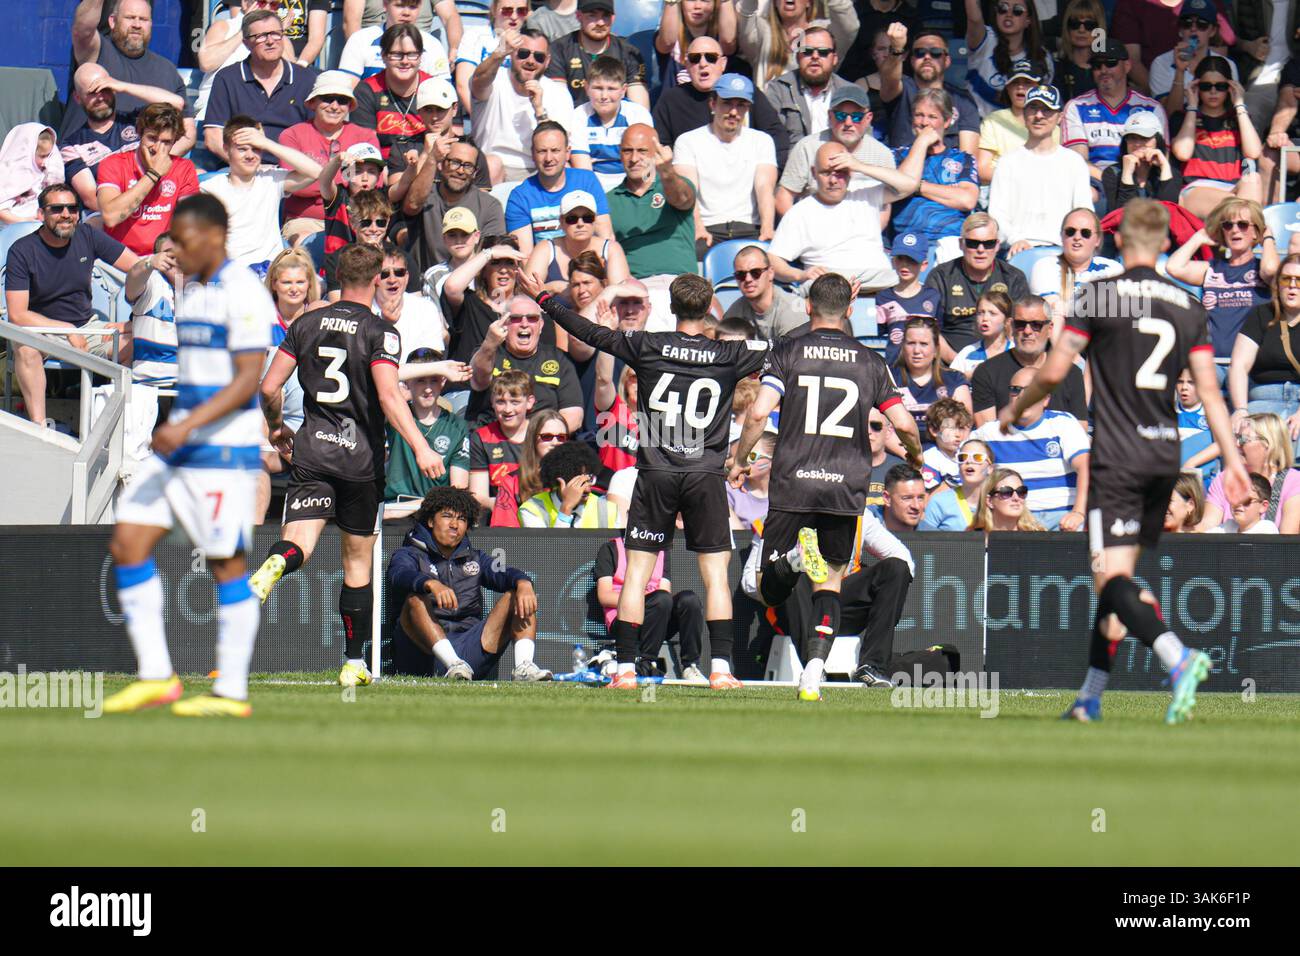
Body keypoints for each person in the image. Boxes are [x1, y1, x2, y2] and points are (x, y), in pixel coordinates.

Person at [1001, 197, 1249, 724]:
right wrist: (1232, 461)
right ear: (1163, 244)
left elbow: (1052, 372)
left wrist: (1015, 409)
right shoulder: (1186, 306)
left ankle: (1176, 656)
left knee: (1108, 578)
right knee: (1120, 579)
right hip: (1165, 455)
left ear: (1116, 240)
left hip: (1117, 456)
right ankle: (1090, 698)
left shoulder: (1098, 296)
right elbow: (1209, 390)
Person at [523, 269, 771, 690]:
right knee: (715, 574)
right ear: (710, 307)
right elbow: (787, 348)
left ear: (671, 307)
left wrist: (546, 300)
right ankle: (722, 670)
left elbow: (589, 332)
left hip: (655, 472)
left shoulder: (647, 343)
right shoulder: (730, 353)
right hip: (705, 474)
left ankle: (624, 671)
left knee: (636, 571)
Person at [101, 194, 271, 718]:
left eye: (185, 237)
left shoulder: (242, 291)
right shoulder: (192, 289)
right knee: (129, 540)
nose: (176, 247)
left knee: (226, 565)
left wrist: (186, 424)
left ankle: (231, 692)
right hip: (184, 449)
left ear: (215, 236)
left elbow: (248, 380)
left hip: (222, 452)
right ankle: (157, 677)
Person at [252, 243, 445, 688]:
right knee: (357, 564)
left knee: (298, 542)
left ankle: (275, 564)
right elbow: (388, 396)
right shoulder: (382, 332)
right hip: (359, 460)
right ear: (377, 279)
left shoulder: (305, 322)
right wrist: (420, 447)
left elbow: (268, 387)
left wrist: (278, 427)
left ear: (337, 276)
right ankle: (353, 662)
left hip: (312, 451)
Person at [729, 272, 921, 699]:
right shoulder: (871, 361)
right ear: (851, 311)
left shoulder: (788, 351)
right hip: (844, 489)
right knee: (830, 583)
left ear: (809, 308)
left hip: (794, 482)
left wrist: (740, 461)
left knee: (771, 588)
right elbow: (904, 422)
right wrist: (917, 454)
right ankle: (813, 672)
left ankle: (796, 558)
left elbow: (759, 413)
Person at [4, 184, 139, 425]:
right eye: (57, 208)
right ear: (41, 214)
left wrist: (136, 317)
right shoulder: (22, 250)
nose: (66, 214)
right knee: (25, 349)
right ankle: (39, 428)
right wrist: (67, 329)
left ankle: (119, 425)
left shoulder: (87, 235)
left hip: (87, 327)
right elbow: (17, 314)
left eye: (72, 208)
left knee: (138, 340)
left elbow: (137, 267)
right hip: (42, 331)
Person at [386, 487, 551, 680]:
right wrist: (430, 583)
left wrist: (523, 582)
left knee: (519, 593)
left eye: (462, 519)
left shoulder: (475, 558)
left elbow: (504, 573)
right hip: (423, 653)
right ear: (431, 521)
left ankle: (524, 668)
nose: (454, 525)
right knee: (415, 599)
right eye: (447, 516)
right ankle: (452, 664)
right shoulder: (408, 553)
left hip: (470, 650)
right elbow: (398, 575)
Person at [769, 137, 927, 291]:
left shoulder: (865, 192)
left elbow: (909, 185)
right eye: (826, 172)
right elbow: (773, 260)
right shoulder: (800, 212)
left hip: (877, 279)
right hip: (829, 284)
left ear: (850, 172)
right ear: (814, 172)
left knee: (906, 285)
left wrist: (859, 166)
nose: (833, 180)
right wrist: (800, 274)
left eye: (840, 172)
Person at [65, 0, 195, 155]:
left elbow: (188, 134)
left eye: (143, 19)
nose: (137, 25)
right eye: (130, 17)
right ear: (112, 21)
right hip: (84, 162)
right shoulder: (96, 53)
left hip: (144, 170)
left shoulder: (168, 70)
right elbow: (83, 30)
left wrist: (154, 165)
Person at [673, 73, 779, 256]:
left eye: (741, 106)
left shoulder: (762, 141)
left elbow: (764, 189)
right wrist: (698, 228)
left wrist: (767, 229)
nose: (733, 112)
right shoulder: (688, 141)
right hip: (708, 228)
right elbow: (689, 191)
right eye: (727, 103)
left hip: (749, 228)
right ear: (713, 104)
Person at [975, 364, 1091, 529]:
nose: (1022, 396)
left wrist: (1079, 512)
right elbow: (960, 462)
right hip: (1015, 520)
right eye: (1015, 390)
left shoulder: (1063, 424)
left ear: (1046, 399)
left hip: (1063, 519)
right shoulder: (989, 433)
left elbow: (1085, 467)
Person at [200, 118, 324, 272]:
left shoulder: (271, 180)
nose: (250, 155)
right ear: (226, 149)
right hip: (232, 275)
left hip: (272, 274)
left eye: (256, 149)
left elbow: (316, 172)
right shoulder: (209, 189)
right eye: (242, 149)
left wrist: (267, 143)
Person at [61, 62, 184, 213]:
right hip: (111, 216)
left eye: (105, 89)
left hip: (156, 204)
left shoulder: (138, 120)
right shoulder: (71, 146)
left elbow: (177, 104)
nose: (100, 97)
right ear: (78, 98)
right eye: (92, 92)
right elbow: (93, 200)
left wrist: (123, 86)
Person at [1165, 197, 1277, 362]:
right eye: (1227, 225)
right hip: (1214, 361)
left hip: (1251, 364)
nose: (1234, 230)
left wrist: (1267, 238)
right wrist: (1199, 238)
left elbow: (1271, 269)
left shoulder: (1262, 269)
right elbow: (1173, 267)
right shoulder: (1211, 268)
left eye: (1243, 225)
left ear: (1256, 232)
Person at [651, 35, 791, 167]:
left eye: (711, 58)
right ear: (687, 64)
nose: (703, 63)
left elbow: (777, 137)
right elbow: (660, 147)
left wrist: (769, 175)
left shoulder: (745, 92)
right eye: (695, 58)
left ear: (723, 63)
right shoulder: (671, 99)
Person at [470, 27, 586, 183]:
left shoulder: (558, 93)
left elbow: (559, 146)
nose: (530, 61)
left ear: (547, 61)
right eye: (523, 53)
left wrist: (539, 109)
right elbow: (478, 81)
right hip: (492, 166)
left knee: (567, 172)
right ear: (511, 54)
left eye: (539, 57)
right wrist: (499, 52)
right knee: (492, 164)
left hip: (538, 169)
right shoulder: (495, 81)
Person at [1061, 39, 1167, 207]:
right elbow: (1077, 160)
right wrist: (1114, 180)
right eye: (1097, 65)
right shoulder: (1077, 106)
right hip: (1097, 181)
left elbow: (1161, 157)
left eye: (1110, 63)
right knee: (1087, 194)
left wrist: (1131, 179)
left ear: (1127, 66)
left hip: (1141, 178)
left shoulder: (1151, 108)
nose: (1103, 70)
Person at [989, 85, 1094, 255]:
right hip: (1016, 250)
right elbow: (996, 214)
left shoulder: (1074, 162)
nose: (1039, 115)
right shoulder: (1007, 162)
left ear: (1060, 117)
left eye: (1047, 110)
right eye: (1033, 108)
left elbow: (1084, 213)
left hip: (1063, 251)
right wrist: (1015, 239)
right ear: (1024, 114)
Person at [277, 71, 382, 240]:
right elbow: (295, 186)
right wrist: (346, 181)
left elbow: (375, 183)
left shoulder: (366, 136)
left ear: (349, 106)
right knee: (306, 245)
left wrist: (323, 182)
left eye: (342, 100)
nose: (334, 106)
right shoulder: (292, 135)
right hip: (306, 220)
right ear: (312, 103)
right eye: (327, 98)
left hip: (357, 219)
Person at [201, 9, 317, 162]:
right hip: (240, 169)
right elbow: (213, 138)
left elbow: (318, 136)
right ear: (246, 43)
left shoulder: (306, 78)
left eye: (276, 33)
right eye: (261, 36)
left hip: (292, 171)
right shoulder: (228, 78)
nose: (270, 41)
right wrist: (245, 167)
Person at [594, 535, 706, 680]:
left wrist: (650, 600)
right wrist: (639, 601)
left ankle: (691, 667)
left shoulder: (661, 551)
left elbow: (665, 591)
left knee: (689, 601)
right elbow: (605, 596)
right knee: (660, 599)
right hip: (623, 620)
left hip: (656, 616)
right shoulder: (611, 548)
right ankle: (647, 662)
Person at [466, 293, 585, 430]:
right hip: (491, 441)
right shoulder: (487, 353)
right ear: (504, 322)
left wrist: (535, 441)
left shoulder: (559, 359)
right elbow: (479, 380)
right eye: (515, 318)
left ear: (541, 325)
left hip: (542, 441)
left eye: (532, 318)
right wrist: (489, 343)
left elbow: (573, 417)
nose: (524, 324)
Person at [924, 212, 1030, 359]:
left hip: (1001, 361)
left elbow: (1020, 328)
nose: (981, 249)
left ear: (997, 245)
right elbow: (929, 328)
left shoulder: (1013, 278)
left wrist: (994, 366)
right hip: (950, 363)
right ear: (961, 244)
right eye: (973, 243)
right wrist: (958, 364)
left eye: (988, 244)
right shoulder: (941, 277)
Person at [889, 90, 980, 261]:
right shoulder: (896, 156)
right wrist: (922, 143)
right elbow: (899, 186)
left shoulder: (962, 159)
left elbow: (966, 200)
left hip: (950, 242)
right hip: (906, 242)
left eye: (932, 116)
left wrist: (918, 186)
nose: (924, 122)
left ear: (946, 121)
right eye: (919, 115)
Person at [1169, 56, 1264, 220]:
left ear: (1230, 88)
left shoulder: (1239, 120)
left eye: (1220, 86)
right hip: (1196, 189)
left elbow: (1254, 152)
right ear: (1196, 87)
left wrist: (1239, 104)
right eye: (1206, 87)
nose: (1213, 92)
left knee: (1253, 180)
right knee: (1240, 208)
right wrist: (1192, 107)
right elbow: (1182, 153)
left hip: (1233, 189)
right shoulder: (1183, 118)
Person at [775, 85, 896, 214]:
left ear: (868, 119)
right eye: (841, 115)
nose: (848, 123)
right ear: (830, 116)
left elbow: (885, 207)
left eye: (856, 116)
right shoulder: (807, 147)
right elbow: (784, 196)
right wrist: (800, 229)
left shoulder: (883, 155)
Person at [95, 105, 196, 257]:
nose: (157, 148)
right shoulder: (113, 163)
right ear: (139, 133)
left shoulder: (183, 168)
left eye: (166, 142)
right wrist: (153, 175)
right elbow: (110, 217)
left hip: (163, 258)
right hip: (119, 259)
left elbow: (192, 222)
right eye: (152, 138)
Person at [971, 294, 1088, 425]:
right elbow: (988, 436)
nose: (1027, 331)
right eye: (1020, 324)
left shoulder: (1071, 374)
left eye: (1036, 325)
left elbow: (1079, 431)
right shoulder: (987, 372)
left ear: (1049, 329)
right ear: (1011, 327)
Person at [399, 134, 505, 278]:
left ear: (474, 173)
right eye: (455, 162)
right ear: (441, 165)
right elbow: (412, 205)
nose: (460, 170)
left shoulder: (489, 206)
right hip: (425, 289)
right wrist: (431, 158)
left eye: (468, 166)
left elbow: (493, 258)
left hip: (471, 287)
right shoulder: (425, 195)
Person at [606, 124, 699, 284]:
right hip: (634, 291)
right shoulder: (609, 200)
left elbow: (683, 199)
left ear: (655, 153)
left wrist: (667, 171)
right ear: (620, 154)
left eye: (642, 151)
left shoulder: (673, 185)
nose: (634, 159)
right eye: (627, 151)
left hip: (681, 283)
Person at [384, 347, 472, 512]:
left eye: (434, 380)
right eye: (420, 380)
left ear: (444, 381)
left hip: (434, 514)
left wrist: (410, 508)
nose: (428, 389)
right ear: (407, 382)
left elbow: (457, 491)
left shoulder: (457, 426)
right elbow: (385, 374)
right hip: (392, 507)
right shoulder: (394, 415)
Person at [352, 23, 452, 162]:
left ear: (420, 56)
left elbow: (448, 138)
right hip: (380, 168)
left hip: (425, 165)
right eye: (397, 54)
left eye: (412, 54)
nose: (405, 61)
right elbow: (365, 146)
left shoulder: (435, 87)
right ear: (384, 56)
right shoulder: (366, 90)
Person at [1229, 254, 1300, 444]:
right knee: (1239, 433)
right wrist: (1241, 410)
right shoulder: (1261, 314)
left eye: (1299, 280)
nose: (1292, 285)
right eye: (1286, 279)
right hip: (1263, 401)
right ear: (1278, 284)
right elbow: (1239, 365)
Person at [878, 24, 981, 154]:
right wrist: (897, 48)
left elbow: (968, 156)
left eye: (936, 53)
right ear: (911, 60)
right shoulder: (902, 90)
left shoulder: (963, 100)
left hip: (947, 171)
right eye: (920, 52)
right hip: (902, 168)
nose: (927, 57)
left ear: (947, 61)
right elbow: (889, 80)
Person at [504, 123, 604, 252]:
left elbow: (605, 236)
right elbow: (525, 257)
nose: (548, 158)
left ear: (568, 153)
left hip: (589, 266)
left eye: (555, 150)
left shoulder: (587, 182)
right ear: (533, 154)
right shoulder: (520, 196)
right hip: (544, 268)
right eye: (542, 151)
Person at [1197, 411, 1300, 531]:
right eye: (1236, 438)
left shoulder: (1293, 482)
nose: (1236, 444)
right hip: (1229, 549)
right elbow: (1206, 529)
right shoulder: (1225, 478)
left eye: (1243, 439)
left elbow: (1287, 539)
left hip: (1270, 549)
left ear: (1268, 444)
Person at [1110, 0, 1235, 94]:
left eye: (1202, 24)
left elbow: (1219, 56)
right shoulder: (1132, 3)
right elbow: (1132, 60)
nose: (1193, 28)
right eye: (1187, 23)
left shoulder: (1210, 3)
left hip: (1208, 96)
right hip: (1155, 91)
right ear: (1180, 29)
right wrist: (1158, 91)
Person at [1029, 208, 1122, 329]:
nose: (1077, 237)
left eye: (1085, 233)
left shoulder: (1113, 269)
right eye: (1070, 231)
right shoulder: (1045, 266)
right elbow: (1054, 308)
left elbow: (1118, 311)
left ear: (1098, 240)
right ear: (1061, 235)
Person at [736, 0, 859, 91]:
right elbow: (747, 15)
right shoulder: (763, 32)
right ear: (774, 2)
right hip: (767, 120)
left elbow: (849, 26)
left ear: (809, 3)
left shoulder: (824, 32)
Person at [764, 26, 857, 147]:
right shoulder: (778, 89)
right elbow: (770, 139)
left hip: (840, 162)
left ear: (834, 59)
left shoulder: (851, 92)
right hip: (793, 162)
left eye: (823, 52)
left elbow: (864, 139)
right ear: (797, 57)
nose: (815, 56)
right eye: (807, 51)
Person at [546, 0, 649, 108]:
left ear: (613, 18)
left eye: (606, 16)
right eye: (592, 15)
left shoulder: (629, 53)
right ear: (578, 16)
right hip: (573, 120)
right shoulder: (559, 50)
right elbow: (557, 102)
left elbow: (640, 108)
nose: (600, 23)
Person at [524, 189, 628, 292]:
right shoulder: (546, 248)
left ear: (595, 219)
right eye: (572, 219)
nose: (580, 224)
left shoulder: (611, 249)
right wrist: (553, 287)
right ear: (561, 221)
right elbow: (527, 291)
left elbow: (620, 293)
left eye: (588, 218)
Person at [964, 0, 1055, 118]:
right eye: (1003, 8)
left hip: (1021, 128)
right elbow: (974, 19)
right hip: (977, 125)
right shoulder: (985, 39)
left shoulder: (1042, 57)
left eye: (1017, 11)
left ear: (1028, 20)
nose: (1009, 14)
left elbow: (1042, 101)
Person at [467, 370, 536, 522]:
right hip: (499, 513)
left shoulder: (542, 433)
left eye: (515, 402)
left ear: (530, 402)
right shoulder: (482, 437)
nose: (507, 409)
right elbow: (478, 495)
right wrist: (506, 506)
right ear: (492, 401)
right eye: (500, 401)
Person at [892, 316, 972, 445]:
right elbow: (882, 429)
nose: (917, 350)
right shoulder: (887, 378)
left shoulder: (955, 380)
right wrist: (914, 457)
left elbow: (964, 427)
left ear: (936, 349)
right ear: (903, 346)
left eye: (924, 344)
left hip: (944, 452)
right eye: (911, 343)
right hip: (900, 453)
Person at [123, 233, 184, 389]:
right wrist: (149, 263)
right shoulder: (152, 284)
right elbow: (132, 279)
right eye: (170, 254)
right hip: (153, 383)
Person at [338, 0, 452, 81]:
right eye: (399, 5)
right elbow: (347, 91)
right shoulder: (361, 40)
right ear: (385, 4)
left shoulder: (432, 45)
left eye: (413, 7)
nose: (406, 13)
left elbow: (443, 97)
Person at [517, 439, 621, 527]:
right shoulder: (532, 510)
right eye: (577, 482)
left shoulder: (608, 510)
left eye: (589, 479)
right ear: (559, 481)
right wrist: (566, 508)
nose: (586, 489)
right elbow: (549, 551)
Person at [875, 231, 941, 365]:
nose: (905, 265)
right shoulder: (882, 298)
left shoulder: (933, 297)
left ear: (924, 265)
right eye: (900, 258)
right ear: (893, 261)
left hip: (926, 370)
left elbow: (939, 338)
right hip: (893, 369)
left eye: (912, 260)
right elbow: (878, 338)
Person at [974, 61, 1044, 185]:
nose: (1020, 87)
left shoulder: (1051, 125)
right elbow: (982, 169)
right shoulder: (993, 121)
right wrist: (1020, 180)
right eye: (1015, 82)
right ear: (1008, 87)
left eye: (1027, 82)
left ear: (1039, 88)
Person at [1101, 109, 1183, 213]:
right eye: (1132, 138)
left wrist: (1165, 168)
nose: (1137, 144)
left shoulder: (1171, 172)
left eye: (1145, 138)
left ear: (1157, 141)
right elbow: (1120, 218)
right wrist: (1127, 175)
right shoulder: (1112, 173)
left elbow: (1170, 214)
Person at [373, 243, 447, 354]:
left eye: (399, 273)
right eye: (384, 274)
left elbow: (431, 358)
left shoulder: (426, 309)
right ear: (374, 278)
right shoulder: (363, 309)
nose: (392, 280)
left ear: (407, 277)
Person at [723, 245, 807, 340]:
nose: (748, 279)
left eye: (755, 272)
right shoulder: (735, 312)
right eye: (740, 275)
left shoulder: (792, 310)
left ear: (770, 273)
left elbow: (793, 353)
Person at [921, 437, 995, 529]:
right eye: (962, 457)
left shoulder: (1000, 502)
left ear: (990, 468)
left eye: (977, 457)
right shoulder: (939, 502)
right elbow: (924, 540)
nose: (969, 461)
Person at [0, 126, 64, 225]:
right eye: (42, 156)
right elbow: (2, 212)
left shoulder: (48, 171)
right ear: (26, 153)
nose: (45, 161)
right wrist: (27, 221)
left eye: (49, 155)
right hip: (19, 226)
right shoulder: (9, 175)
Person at [345, 0, 462, 52]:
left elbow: (450, 16)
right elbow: (351, 22)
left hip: (420, 49)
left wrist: (454, 49)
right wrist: (357, 53)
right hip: (374, 49)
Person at [951, 289, 1013, 377]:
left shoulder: (1016, 353)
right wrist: (968, 376)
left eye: (992, 313)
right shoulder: (967, 353)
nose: (985, 318)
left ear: (1007, 321)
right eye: (980, 313)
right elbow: (950, 385)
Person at [1053, 0, 1104, 104]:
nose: (1081, 30)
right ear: (1067, 27)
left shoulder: (1108, 69)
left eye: (1089, 24)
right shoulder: (1056, 68)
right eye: (1075, 24)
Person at [968, 467, 1047, 532]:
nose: (1016, 498)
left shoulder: (1039, 537)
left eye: (1021, 491)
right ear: (989, 501)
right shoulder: (970, 541)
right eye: (1006, 492)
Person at [1175, 366, 1221, 478]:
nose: (1184, 387)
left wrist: (1191, 463)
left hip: (1203, 477)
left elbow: (1221, 445)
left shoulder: (1212, 411)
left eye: (1191, 382)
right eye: (1180, 382)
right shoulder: (1167, 409)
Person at [921, 397, 973, 489]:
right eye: (951, 428)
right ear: (934, 430)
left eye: (961, 428)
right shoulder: (929, 459)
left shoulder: (971, 457)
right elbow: (929, 498)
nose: (958, 434)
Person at [1209, 471, 1280, 533]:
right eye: (1235, 498)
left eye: (1246, 500)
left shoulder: (1267, 529)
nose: (1239, 504)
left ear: (1263, 506)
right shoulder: (1227, 528)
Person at [879, 463, 926, 531]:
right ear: (887, 498)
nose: (916, 506)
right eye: (907, 498)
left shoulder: (935, 538)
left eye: (920, 498)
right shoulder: (861, 529)